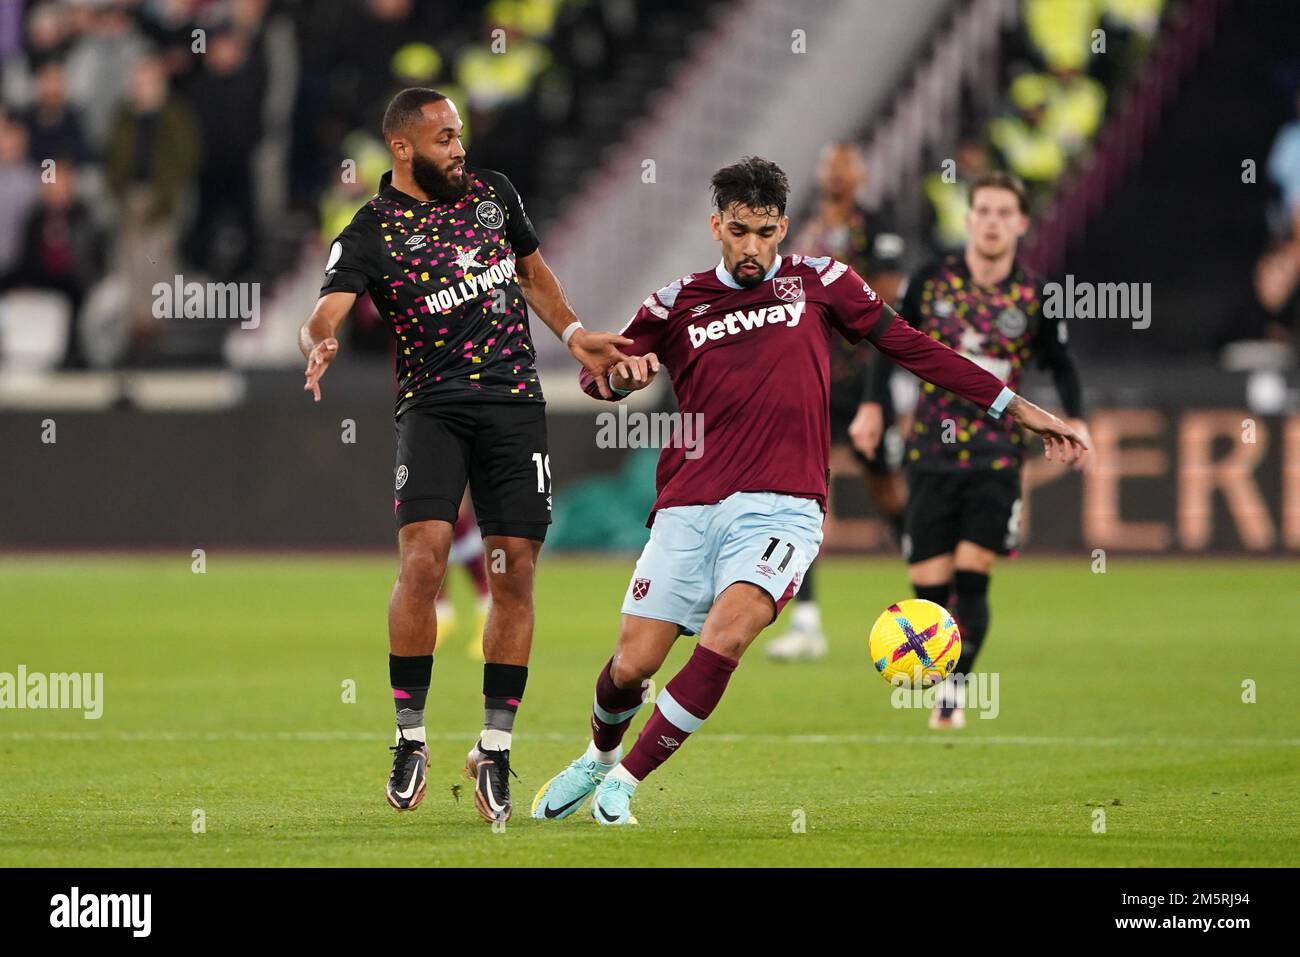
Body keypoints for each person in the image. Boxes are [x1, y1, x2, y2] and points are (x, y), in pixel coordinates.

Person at [530, 157, 1086, 825]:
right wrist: (622, 380)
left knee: (728, 634)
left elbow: (915, 348)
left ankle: (625, 779)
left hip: (783, 505)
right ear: (717, 226)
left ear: (784, 228)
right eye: (740, 230)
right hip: (687, 505)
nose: (753, 246)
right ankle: (596, 755)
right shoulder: (675, 302)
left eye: (767, 231)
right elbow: (602, 376)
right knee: (630, 664)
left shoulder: (820, 282)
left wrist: (1015, 406)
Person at [298, 88, 631, 822]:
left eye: (460, 135)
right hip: (433, 409)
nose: (460, 148)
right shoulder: (372, 229)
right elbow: (328, 305)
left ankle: (496, 748)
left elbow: (533, 273)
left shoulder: (493, 196)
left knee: (515, 574)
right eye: (445, 137)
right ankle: (409, 736)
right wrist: (318, 337)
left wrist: (575, 336)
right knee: (422, 560)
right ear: (405, 148)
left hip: (515, 405)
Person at [856, 171, 1090, 728]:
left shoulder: (1034, 295)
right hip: (930, 450)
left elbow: (1060, 365)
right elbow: (887, 343)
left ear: (1021, 223)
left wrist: (1077, 417)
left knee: (972, 572)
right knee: (930, 586)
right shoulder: (930, 281)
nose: (991, 222)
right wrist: (873, 408)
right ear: (969, 218)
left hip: (998, 453)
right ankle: (940, 673)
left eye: (1003, 213)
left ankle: (953, 692)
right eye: (982, 210)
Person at [767, 141, 908, 662]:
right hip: (813, 378)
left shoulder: (877, 223)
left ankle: (935, 596)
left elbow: (887, 307)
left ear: (861, 174)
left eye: (845, 165)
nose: (835, 173)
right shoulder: (803, 226)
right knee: (804, 496)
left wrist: (878, 394)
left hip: (863, 380)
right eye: (828, 164)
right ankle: (806, 623)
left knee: (886, 487)